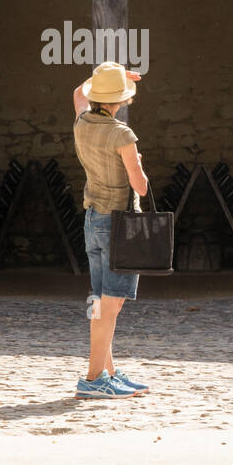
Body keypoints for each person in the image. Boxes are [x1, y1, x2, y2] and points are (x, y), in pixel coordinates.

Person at [70, 61, 151, 400]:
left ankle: (109, 373)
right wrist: (139, 164)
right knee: (111, 304)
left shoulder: (81, 123)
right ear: (121, 99)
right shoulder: (123, 135)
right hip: (119, 226)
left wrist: (104, 77)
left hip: (93, 220)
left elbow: (78, 94)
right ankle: (92, 379)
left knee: (102, 300)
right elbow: (141, 187)